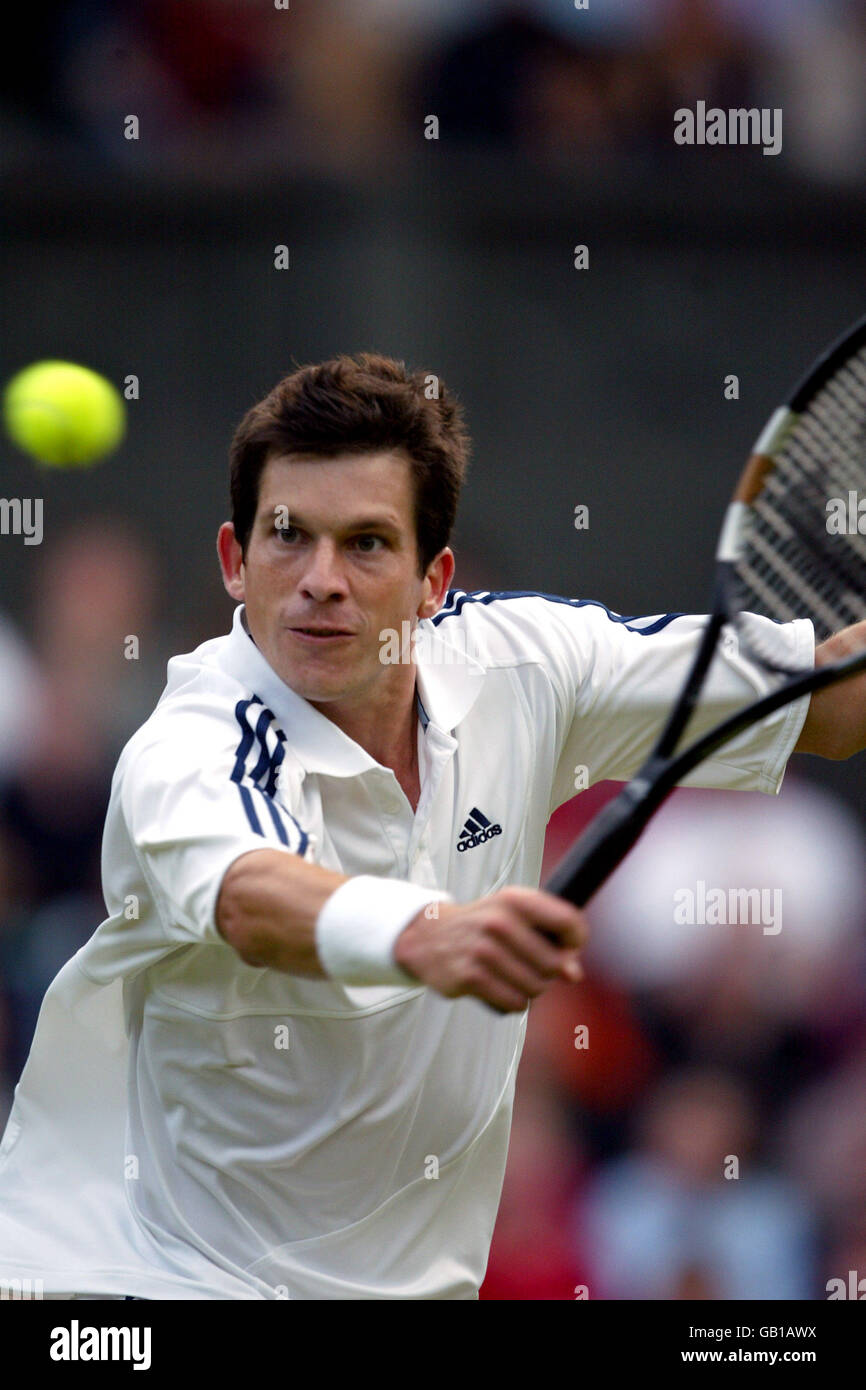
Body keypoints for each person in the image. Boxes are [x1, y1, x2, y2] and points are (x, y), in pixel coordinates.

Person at [0, 352, 861, 1301]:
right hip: (155, 1283)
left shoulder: (530, 665)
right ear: (234, 562)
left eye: (366, 544)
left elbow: (826, 706)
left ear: (432, 579)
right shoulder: (189, 746)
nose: (320, 579)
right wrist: (428, 934)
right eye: (288, 536)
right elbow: (252, 898)